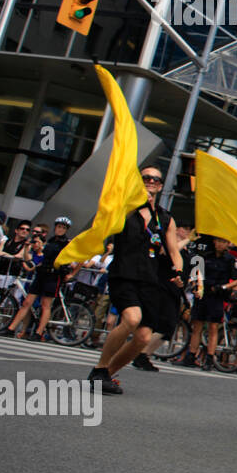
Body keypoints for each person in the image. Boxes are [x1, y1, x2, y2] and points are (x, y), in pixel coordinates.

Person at [86, 167, 184, 394]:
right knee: (132, 318)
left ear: (160, 186)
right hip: (123, 275)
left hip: (150, 281)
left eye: (155, 179)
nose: (150, 181)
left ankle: (106, 375)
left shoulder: (165, 218)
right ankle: (99, 368)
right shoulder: (125, 209)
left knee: (143, 337)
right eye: (146, 178)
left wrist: (178, 271)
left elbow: (173, 251)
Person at [4, 216, 73, 341]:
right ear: (55, 227)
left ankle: (39, 332)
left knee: (45, 305)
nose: (60, 230)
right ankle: (11, 329)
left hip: (53, 275)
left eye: (63, 228)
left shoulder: (66, 243)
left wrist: (72, 273)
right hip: (41, 273)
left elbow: (78, 258)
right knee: (27, 302)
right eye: (59, 227)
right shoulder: (50, 240)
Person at [178, 236, 237, 370]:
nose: (219, 244)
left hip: (217, 296)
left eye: (223, 242)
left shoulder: (230, 260)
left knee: (213, 328)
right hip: (203, 294)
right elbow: (196, 274)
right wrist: (195, 286)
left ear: (227, 244)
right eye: (218, 241)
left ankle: (209, 358)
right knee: (197, 326)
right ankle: (191, 356)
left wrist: (223, 287)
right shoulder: (206, 256)